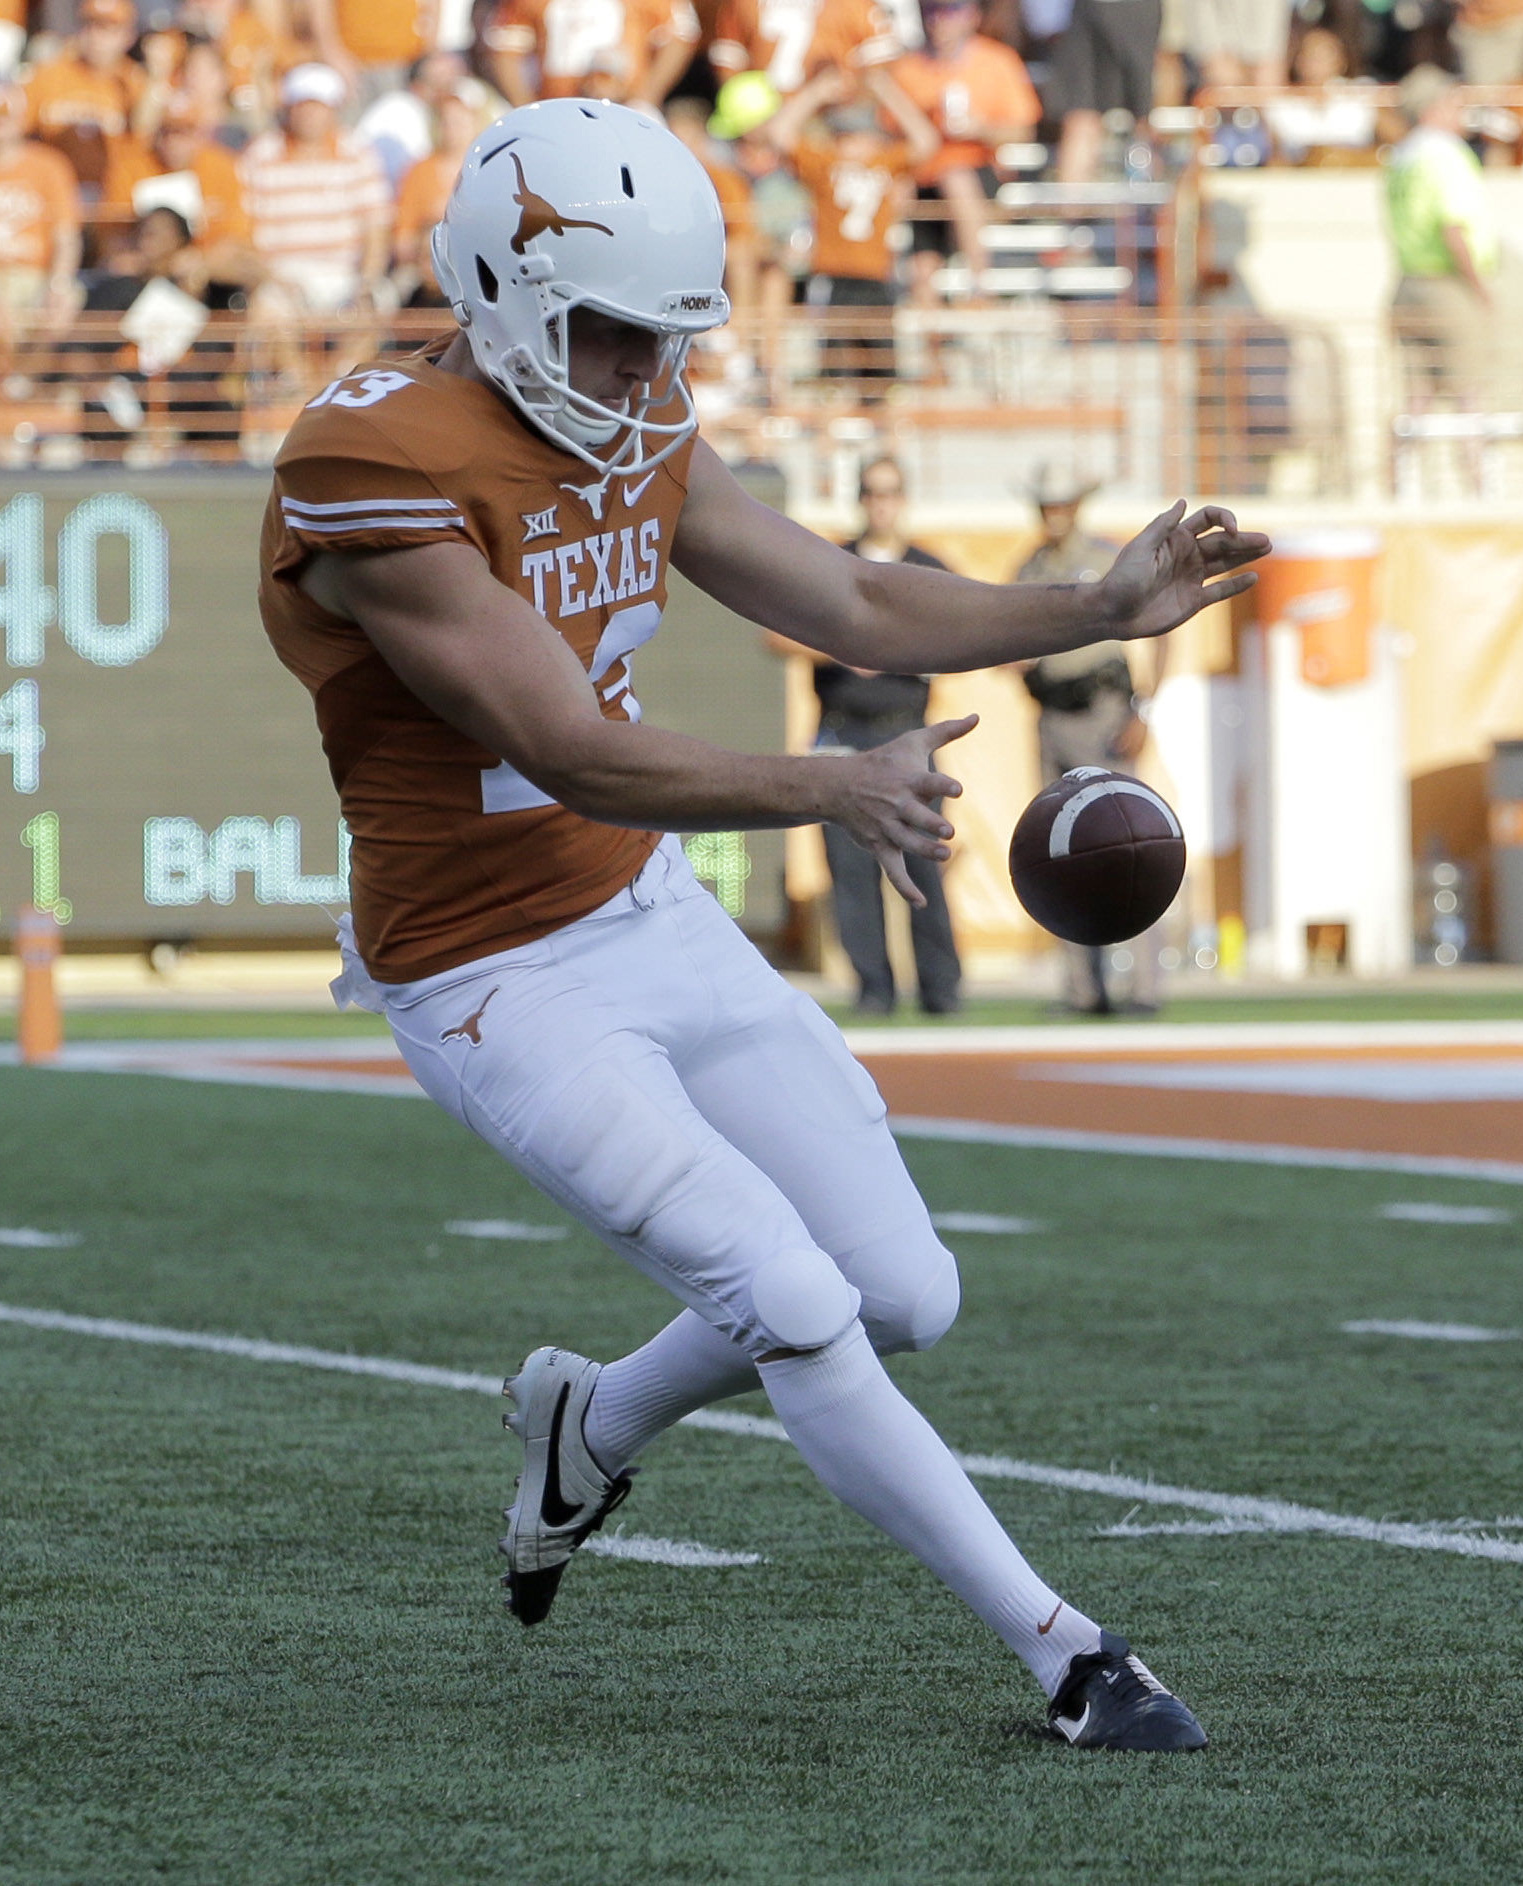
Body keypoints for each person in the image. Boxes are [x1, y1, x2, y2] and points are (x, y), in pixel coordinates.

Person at [258, 99, 1267, 1750]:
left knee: (900, 1293)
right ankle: (1070, 1656)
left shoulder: (633, 410)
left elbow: (854, 597)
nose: (645, 378)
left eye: (664, 342)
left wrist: (1092, 605)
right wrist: (827, 785)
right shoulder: (374, 461)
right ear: (502, 297)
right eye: (609, 335)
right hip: (494, 975)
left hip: (642, 908)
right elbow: (560, 742)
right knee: (785, 1297)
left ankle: (593, 1420)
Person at [769, 454, 962, 1014]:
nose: (882, 502)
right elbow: (775, 634)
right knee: (851, 871)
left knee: (924, 859)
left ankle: (941, 990)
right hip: (843, 731)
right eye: (873, 492)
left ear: (904, 499)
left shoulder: (927, 567)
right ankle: (873, 988)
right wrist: (845, 643)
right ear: (860, 499)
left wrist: (897, 645)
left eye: (892, 491)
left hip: (904, 732)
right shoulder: (834, 562)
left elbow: (959, 637)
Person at [1011, 466, 1167, 1014]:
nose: (1053, 515)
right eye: (1045, 506)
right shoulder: (1029, 568)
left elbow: (1160, 625)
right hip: (1052, 713)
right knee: (1058, 852)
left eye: (1061, 505)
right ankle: (1083, 988)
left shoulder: (1105, 559)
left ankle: (1146, 986)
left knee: (1129, 844)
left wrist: (1144, 707)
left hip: (1104, 713)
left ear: (1077, 507)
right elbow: (1008, 641)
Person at [892, 0, 1039, 303]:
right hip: (923, 177)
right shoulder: (908, 67)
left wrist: (979, 129)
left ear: (972, 15)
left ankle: (980, 287)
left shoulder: (997, 61)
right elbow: (889, 132)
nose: (939, 21)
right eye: (933, 11)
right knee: (922, 271)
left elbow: (1023, 129)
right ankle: (928, 337)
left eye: (950, 11)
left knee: (956, 178)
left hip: (978, 172)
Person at [237, 62, 392, 315]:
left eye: (318, 106)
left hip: (345, 275)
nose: (310, 114)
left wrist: (365, 281)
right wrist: (270, 278)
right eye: (303, 105)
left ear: (333, 109)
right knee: (266, 309)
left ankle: (348, 358)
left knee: (375, 306)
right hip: (281, 276)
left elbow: (377, 229)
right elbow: (244, 231)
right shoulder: (260, 155)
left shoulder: (358, 153)